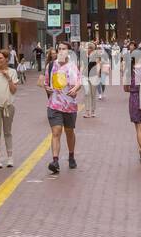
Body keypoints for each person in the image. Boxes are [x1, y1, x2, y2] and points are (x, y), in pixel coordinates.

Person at [43, 41, 82, 174]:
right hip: (54, 104)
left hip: (70, 105)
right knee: (56, 131)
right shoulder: (51, 65)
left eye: (64, 49)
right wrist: (47, 87)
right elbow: (46, 83)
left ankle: (71, 156)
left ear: (69, 52)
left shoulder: (72, 66)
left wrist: (76, 88)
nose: (61, 51)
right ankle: (55, 161)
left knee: (69, 132)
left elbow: (79, 82)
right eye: (59, 49)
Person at [83, 42, 101, 118]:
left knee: (93, 94)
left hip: (93, 76)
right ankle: (87, 112)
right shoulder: (84, 55)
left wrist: (98, 74)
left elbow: (98, 64)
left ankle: (93, 111)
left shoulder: (96, 54)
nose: (88, 49)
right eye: (88, 47)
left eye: (90, 48)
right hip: (85, 76)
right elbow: (82, 65)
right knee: (87, 93)